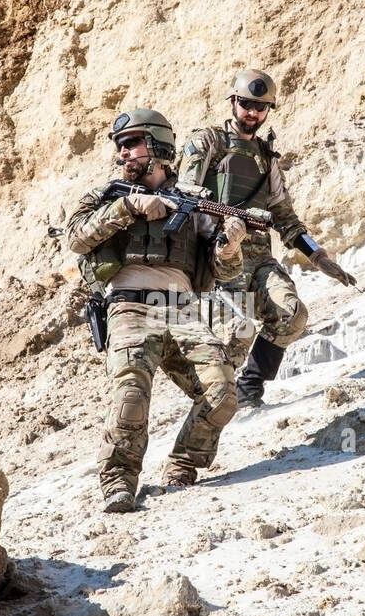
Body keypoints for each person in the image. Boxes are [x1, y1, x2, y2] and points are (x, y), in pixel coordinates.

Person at [65, 108, 246, 513]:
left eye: (133, 143)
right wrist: (128, 209)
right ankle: (118, 482)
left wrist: (230, 245)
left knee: (221, 393)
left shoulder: (195, 204)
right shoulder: (106, 197)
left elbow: (224, 270)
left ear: (159, 146)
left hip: (181, 310)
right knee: (131, 393)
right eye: (121, 146)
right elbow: (76, 237)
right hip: (129, 306)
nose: (124, 153)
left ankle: (183, 465)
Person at [175, 69, 335, 408]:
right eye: (247, 104)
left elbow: (284, 215)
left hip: (261, 259)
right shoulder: (208, 143)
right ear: (233, 102)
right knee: (237, 336)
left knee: (292, 315)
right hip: (219, 260)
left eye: (261, 107)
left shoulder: (266, 156)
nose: (253, 113)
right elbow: (184, 198)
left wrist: (317, 255)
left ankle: (250, 390)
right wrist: (221, 227)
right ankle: (216, 407)